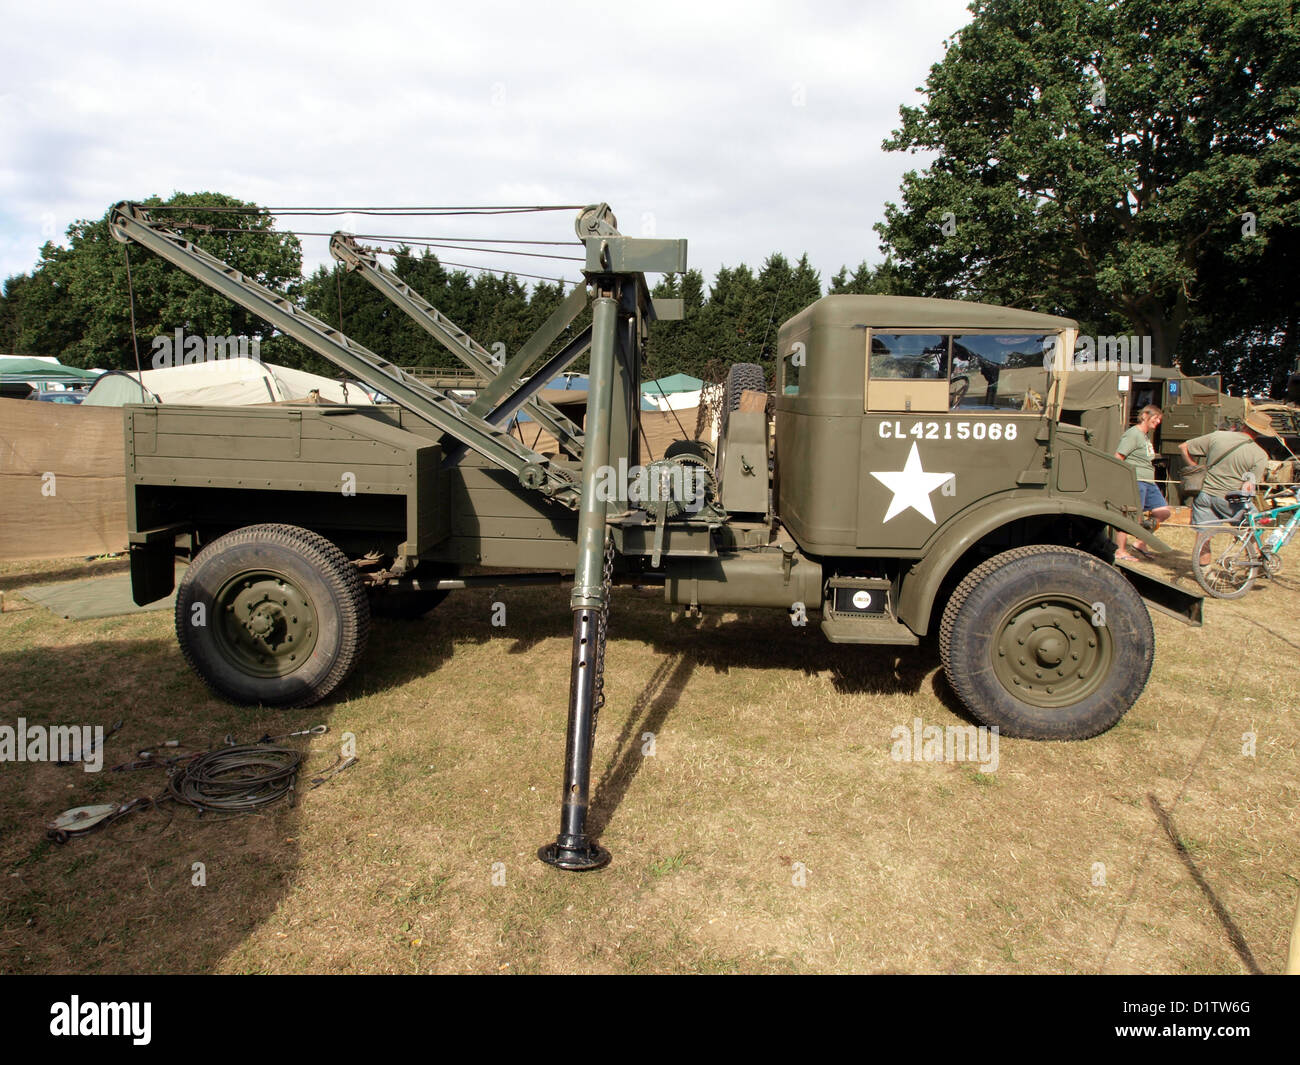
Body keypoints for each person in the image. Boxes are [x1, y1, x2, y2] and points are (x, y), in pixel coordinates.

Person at [1179, 410, 1275, 565]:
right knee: (1254, 527)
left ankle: (1204, 573)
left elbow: (1183, 447)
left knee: (1204, 537)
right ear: (1260, 433)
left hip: (1205, 495)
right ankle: (1255, 565)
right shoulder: (1260, 455)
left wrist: (1196, 468)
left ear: (1244, 425)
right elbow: (1248, 487)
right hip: (1231, 500)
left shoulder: (1218, 436)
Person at [1115, 404, 1173, 561]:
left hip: (1149, 481)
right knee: (1130, 516)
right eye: (1156, 418)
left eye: (1159, 419)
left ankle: (1141, 542)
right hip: (1136, 480)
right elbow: (1118, 457)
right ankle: (1120, 550)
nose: (1158, 422)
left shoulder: (1145, 436)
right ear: (1145, 416)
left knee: (1163, 511)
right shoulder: (1133, 434)